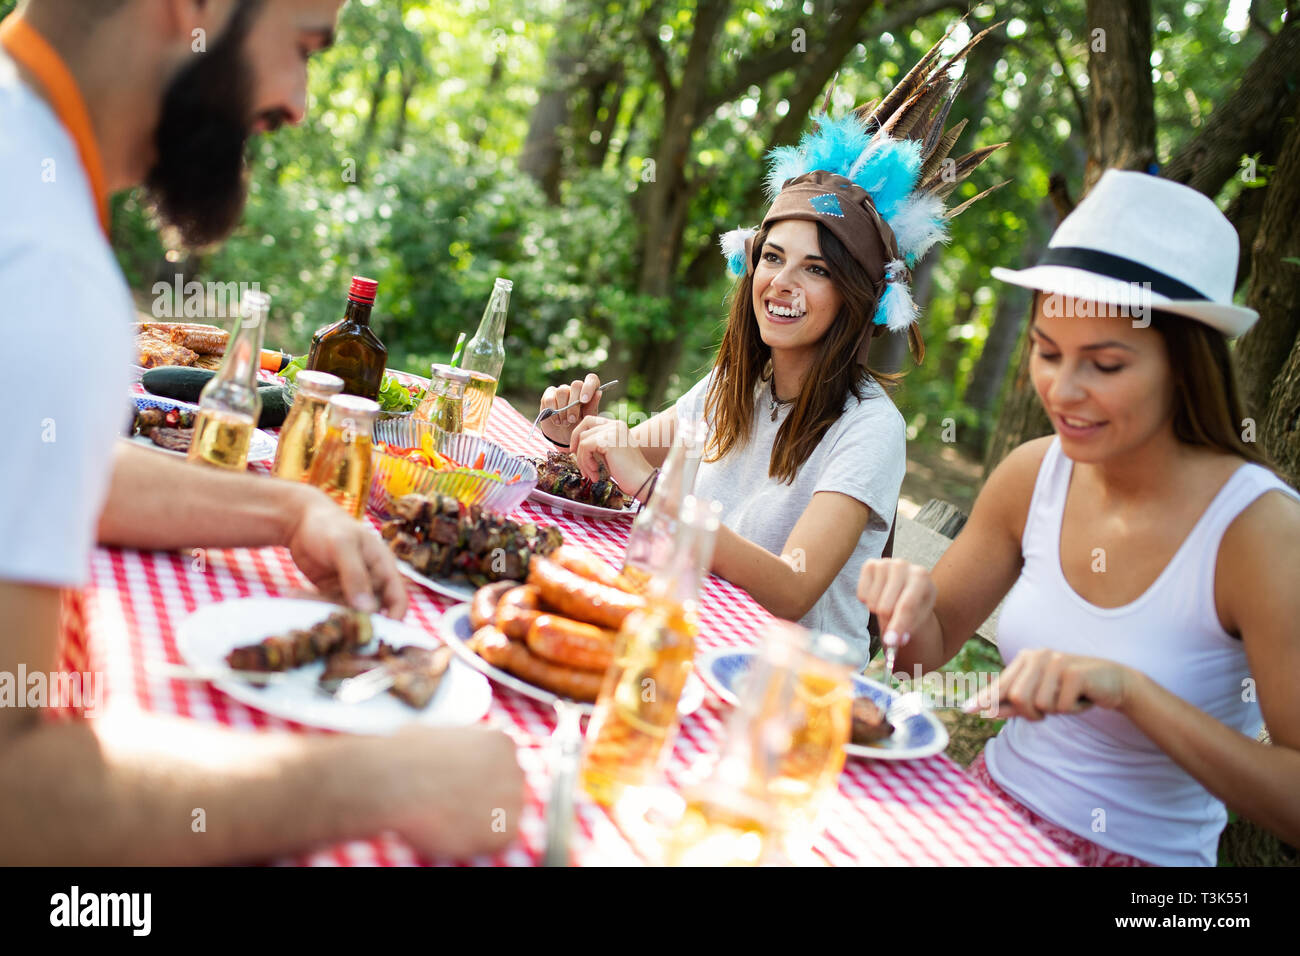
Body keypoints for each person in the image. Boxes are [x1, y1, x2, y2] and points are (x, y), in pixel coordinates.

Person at [0, 0, 521, 865]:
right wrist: (383, 781)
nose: (299, 102)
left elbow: (50, 468)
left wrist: (285, 510)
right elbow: (14, 800)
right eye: (304, 46)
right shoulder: (46, 270)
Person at [856, 169, 1300, 866]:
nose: (1062, 392)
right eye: (1047, 351)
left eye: (1106, 365)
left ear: (1186, 367)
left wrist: (1132, 694)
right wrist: (902, 608)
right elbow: (922, 655)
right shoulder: (1034, 474)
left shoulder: (1258, 532)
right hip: (982, 818)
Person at [539, 25, 1005, 651]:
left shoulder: (869, 428)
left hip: (782, 686)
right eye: (772, 257)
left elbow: (791, 587)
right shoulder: (737, 385)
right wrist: (576, 432)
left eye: (816, 269)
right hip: (686, 634)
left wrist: (649, 488)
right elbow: (633, 454)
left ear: (858, 297)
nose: (781, 283)